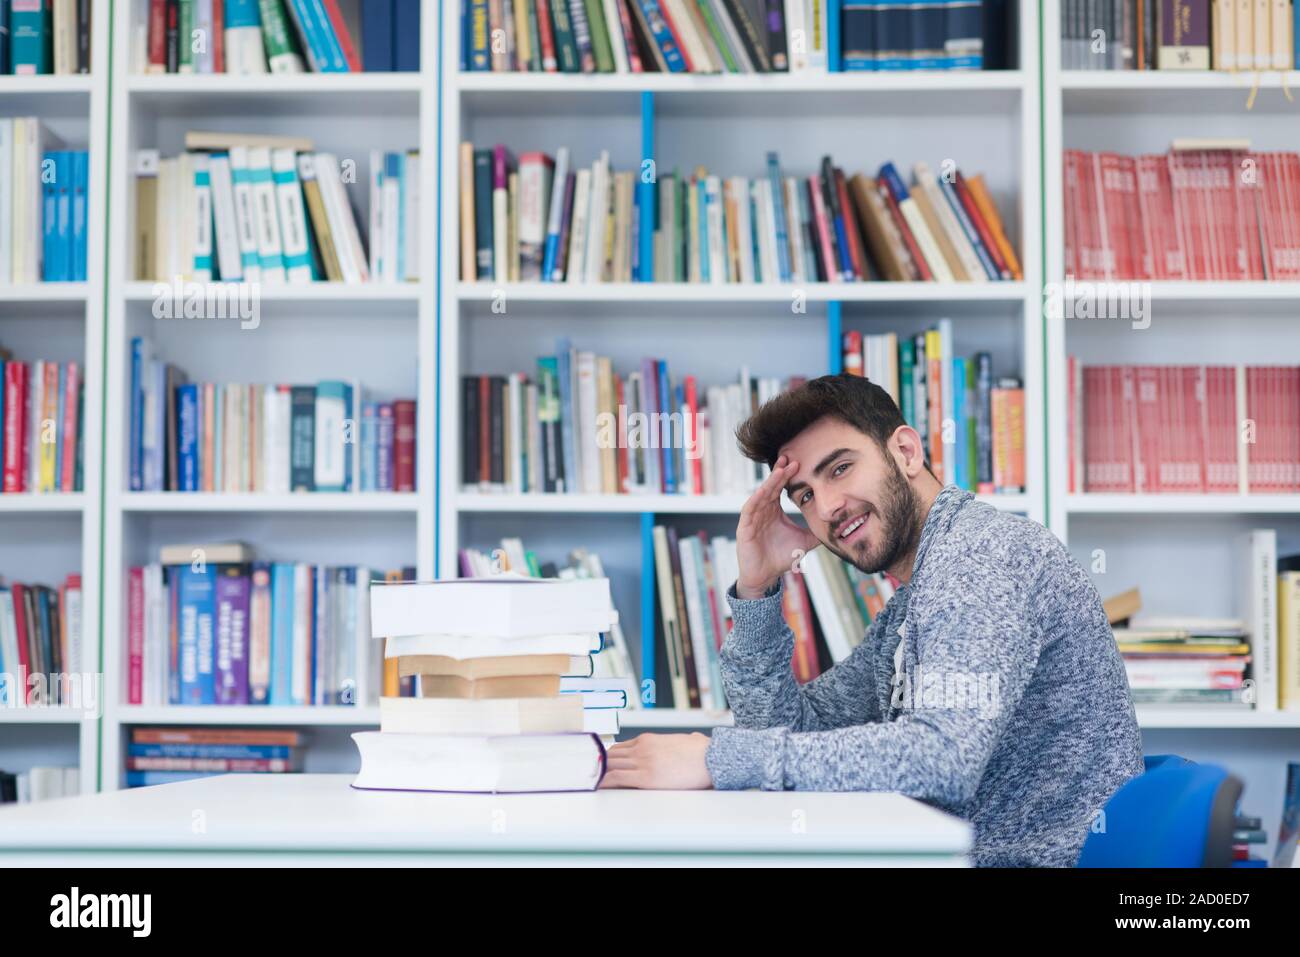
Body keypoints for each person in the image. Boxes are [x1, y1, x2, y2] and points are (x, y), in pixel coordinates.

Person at [600, 373, 1144, 867]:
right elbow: (792, 731)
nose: (829, 506)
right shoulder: (916, 596)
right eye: (805, 495)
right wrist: (758, 588)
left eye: (840, 468)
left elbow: (945, 757)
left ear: (905, 450)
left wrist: (719, 758)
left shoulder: (985, 556)